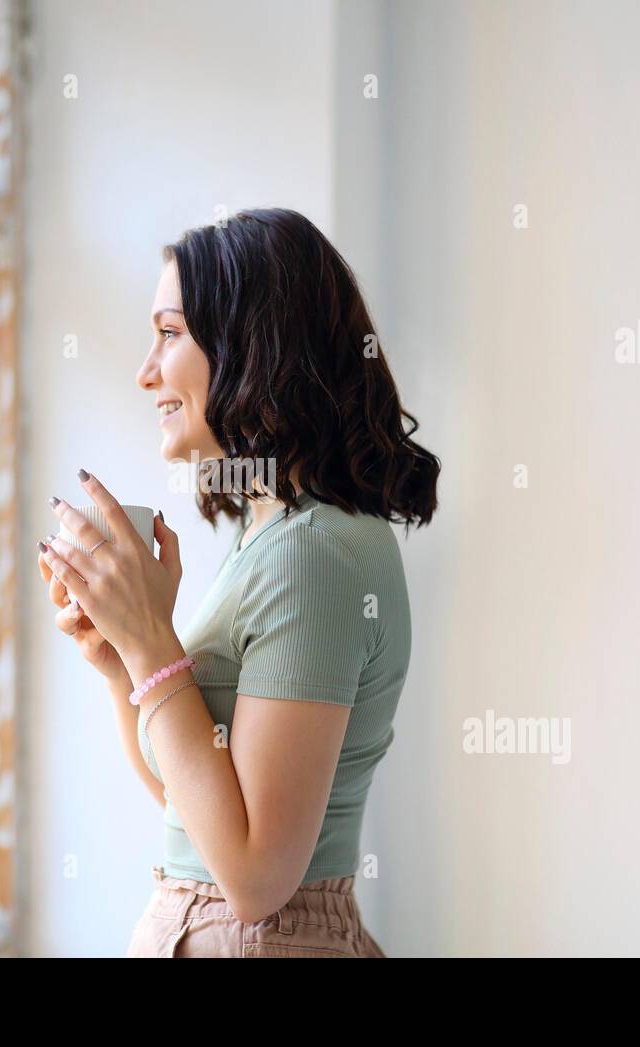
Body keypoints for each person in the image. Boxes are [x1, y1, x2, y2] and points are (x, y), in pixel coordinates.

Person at [36, 207, 440, 957]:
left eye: (168, 332)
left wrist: (154, 641)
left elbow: (256, 877)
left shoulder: (311, 555)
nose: (144, 370)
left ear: (251, 344)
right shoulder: (273, 535)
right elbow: (193, 811)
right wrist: (122, 654)